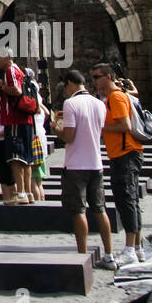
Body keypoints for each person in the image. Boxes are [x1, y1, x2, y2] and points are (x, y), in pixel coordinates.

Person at [51, 69, 117, 269]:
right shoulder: (99, 104)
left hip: (76, 164)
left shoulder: (71, 103)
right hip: (96, 163)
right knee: (100, 209)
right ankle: (109, 254)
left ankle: (82, 254)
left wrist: (55, 128)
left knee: (78, 210)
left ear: (70, 84)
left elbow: (69, 136)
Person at [92, 62, 145, 265]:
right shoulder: (111, 98)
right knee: (129, 200)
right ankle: (137, 248)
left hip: (126, 154)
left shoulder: (115, 97)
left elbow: (125, 125)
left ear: (108, 77)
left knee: (126, 200)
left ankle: (130, 248)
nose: (94, 81)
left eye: (97, 76)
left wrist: (102, 128)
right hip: (121, 154)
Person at [0, 52, 34, 204]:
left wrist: (2, 86)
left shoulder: (10, 70)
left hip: (15, 119)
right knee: (26, 158)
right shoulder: (20, 71)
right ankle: (28, 192)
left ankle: (21, 192)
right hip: (24, 120)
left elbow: (16, 90)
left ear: (7, 58)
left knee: (15, 157)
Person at [28, 72, 50, 203]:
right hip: (41, 137)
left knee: (32, 180)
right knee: (39, 181)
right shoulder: (39, 104)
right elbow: (47, 113)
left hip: (33, 139)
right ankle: (42, 203)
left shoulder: (32, 105)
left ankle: (38, 206)